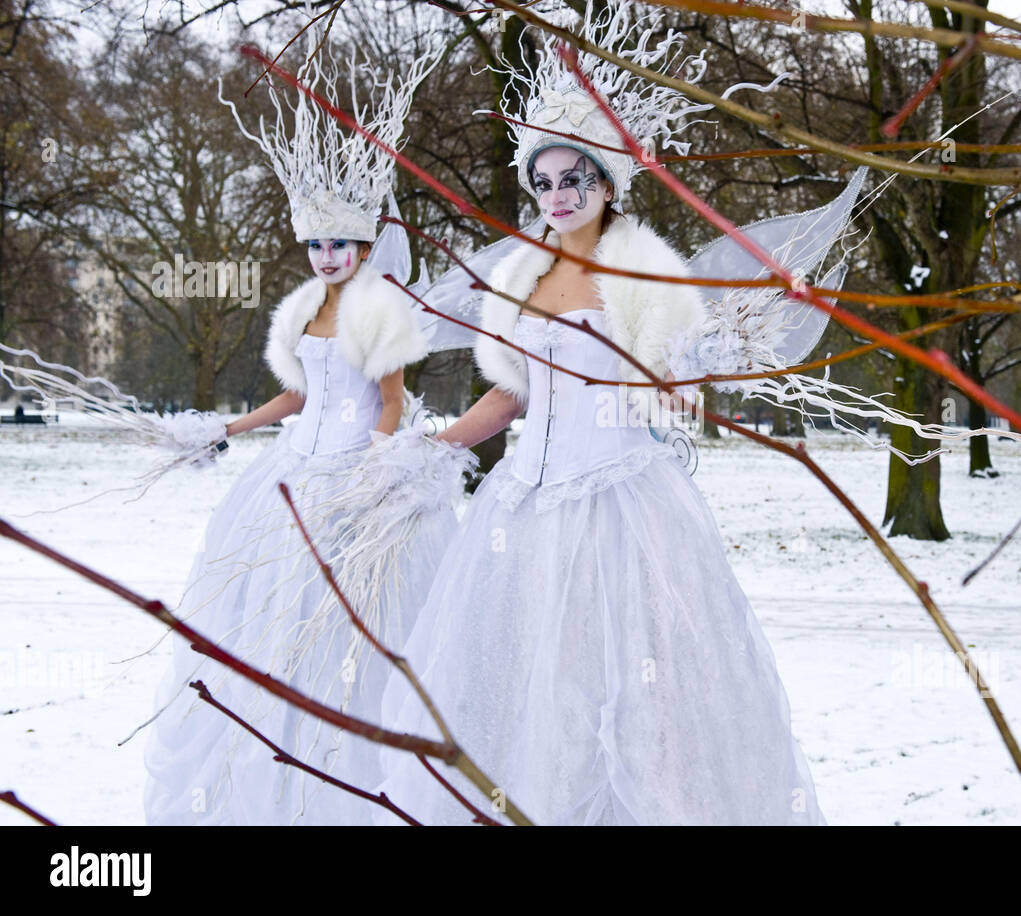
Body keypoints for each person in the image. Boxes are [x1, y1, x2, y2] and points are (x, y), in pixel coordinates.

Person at [374, 3, 825, 825]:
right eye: (542, 182)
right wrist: (438, 447)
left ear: (607, 183)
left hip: (622, 504)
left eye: (572, 179)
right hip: (522, 507)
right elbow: (515, 390)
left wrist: (691, 360)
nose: (556, 195)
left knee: (631, 685)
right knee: (521, 680)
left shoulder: (644, 275)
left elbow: (669, 385)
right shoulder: (519, 278)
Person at [141, 44, 468, 825]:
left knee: (343, 627)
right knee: (268, 611)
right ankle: (263, 769)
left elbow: (390, 401)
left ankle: (345, 775)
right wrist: (227, 425)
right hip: (290, 477)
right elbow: (298, 395)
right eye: (317, 246)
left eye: (341, 245)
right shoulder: (305, 311)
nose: (328, 257)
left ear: (364, 247)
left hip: (354, 480)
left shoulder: (377, 309)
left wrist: (378, 473)